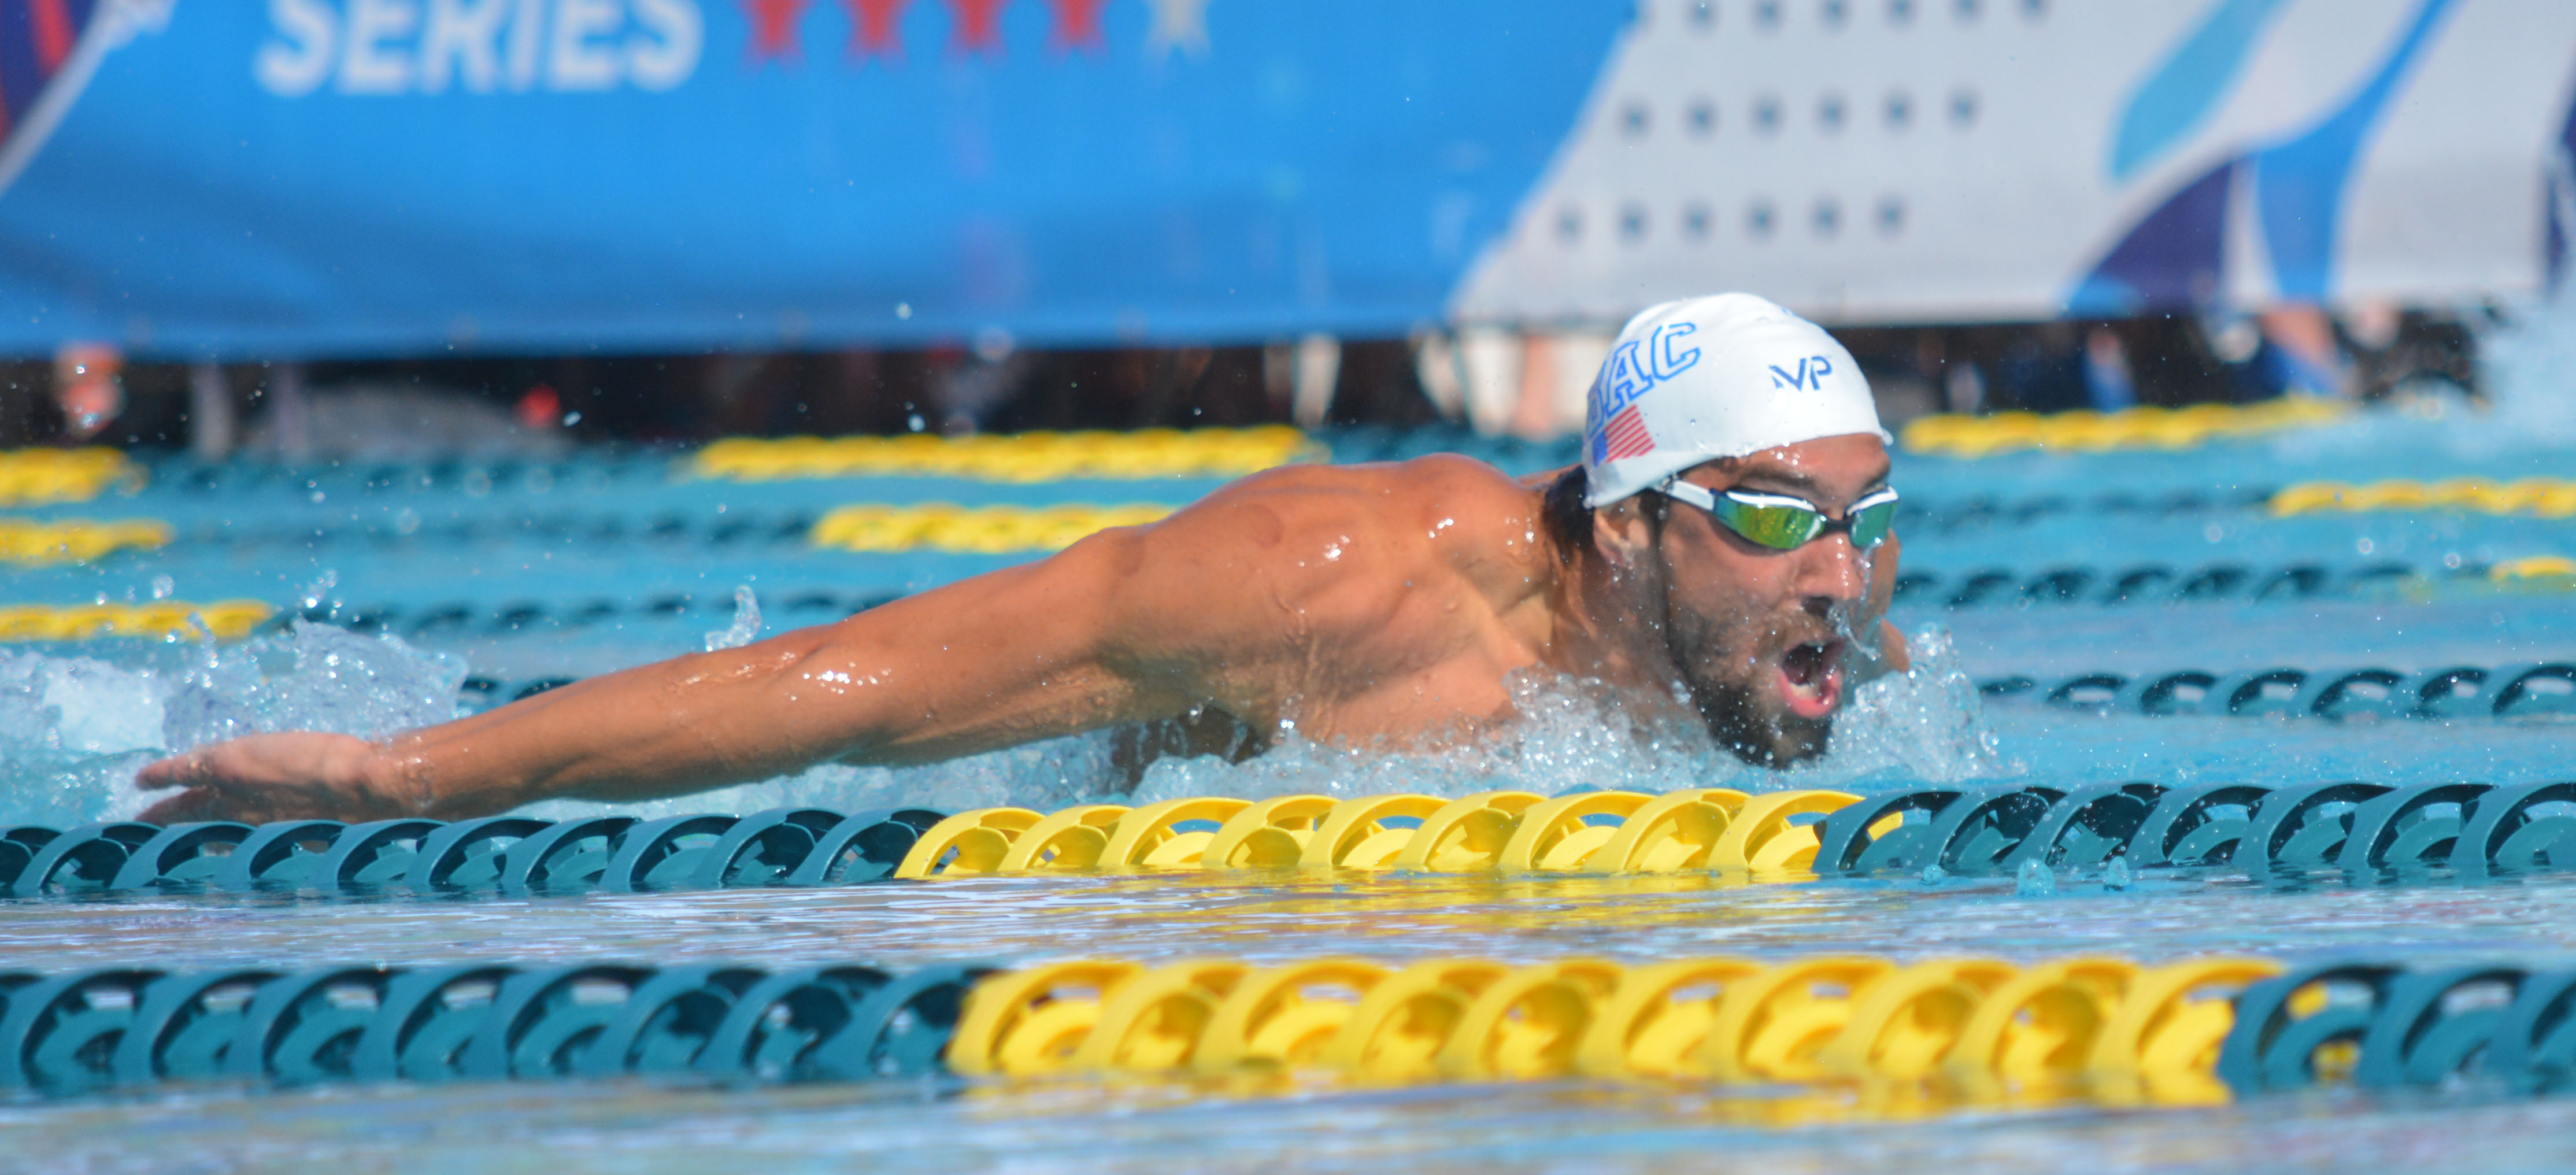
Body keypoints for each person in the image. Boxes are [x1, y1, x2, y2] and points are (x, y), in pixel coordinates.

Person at [136, 294, 1910, 824]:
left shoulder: (1782, 641)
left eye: (1862, 519)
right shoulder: (1325, 583)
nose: (1836, 574)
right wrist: (397, 775)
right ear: (1627, 521)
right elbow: (824, 695)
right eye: (1768, 513)